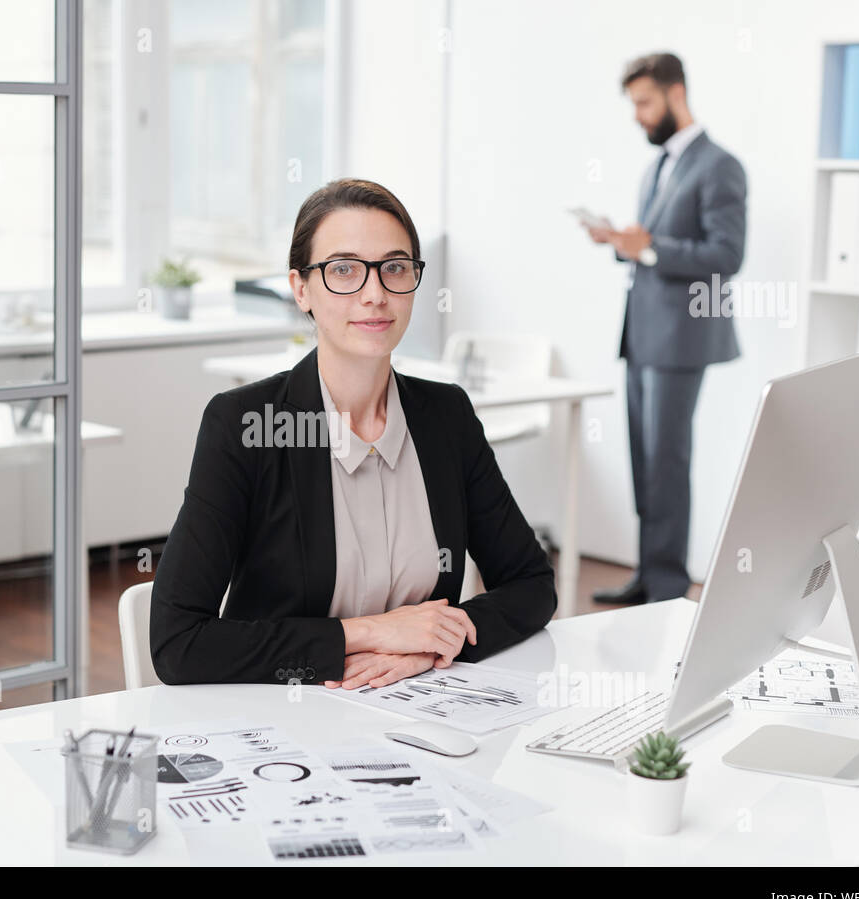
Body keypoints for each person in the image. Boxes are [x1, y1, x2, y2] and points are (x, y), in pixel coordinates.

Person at [150, 178, 557, 687]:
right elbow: (179, 643)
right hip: (282, 726)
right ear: (302, 289)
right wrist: (374, 633)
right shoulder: (245, 424)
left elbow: (531, 584)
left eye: (394, 268)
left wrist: (431, 646)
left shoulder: (445, 416)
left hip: (422, 713)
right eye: (343, 270)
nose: (375, 294)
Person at [585, 52, 746, 605]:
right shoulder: (657, 167)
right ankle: (650, 574)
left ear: (676, 94)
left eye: (645, 102)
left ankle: (669, 588)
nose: (638, 116)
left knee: (667, 462)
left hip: (681, 339)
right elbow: (652, 251)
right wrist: (622, 245)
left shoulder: (719, 165)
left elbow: (727, 254)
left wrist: (649, 246)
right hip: (643, 335)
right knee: (644, 458)